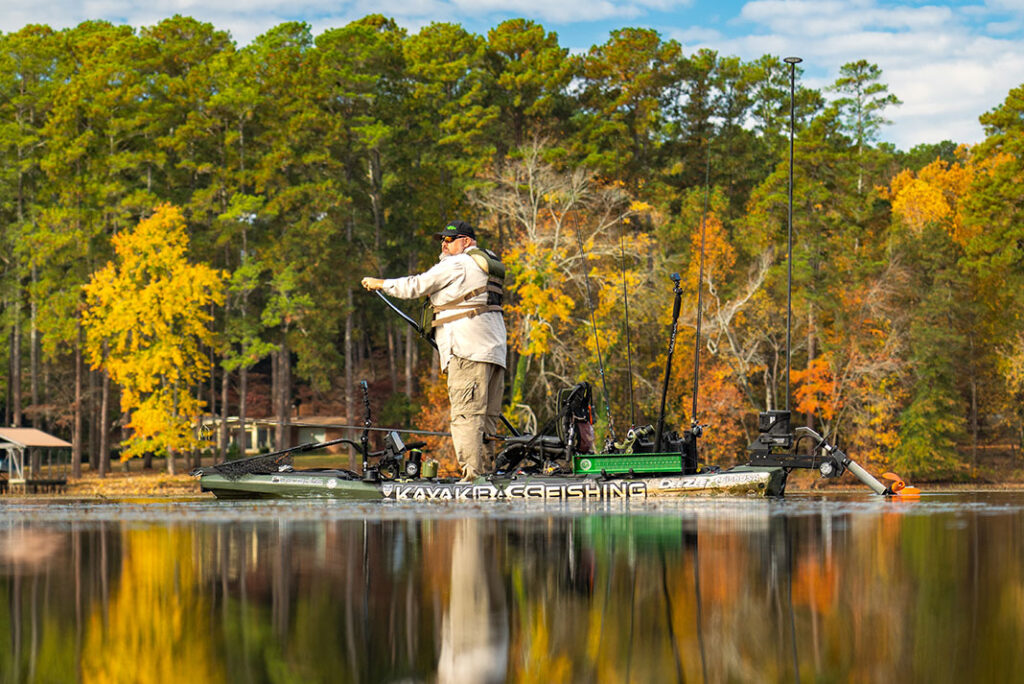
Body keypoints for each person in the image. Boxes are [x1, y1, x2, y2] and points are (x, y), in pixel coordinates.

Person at [361, 221, 506, 481]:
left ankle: (473, 478)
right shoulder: (487, 264)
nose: (444, 244)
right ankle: (487, 473)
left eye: (450, 240)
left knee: (466, 417)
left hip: (466, 351)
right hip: (494, 352)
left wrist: (380, 283)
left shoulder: (458, 263)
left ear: (466, 241)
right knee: (486, 420)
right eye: (442, 240)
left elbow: (416, 286)